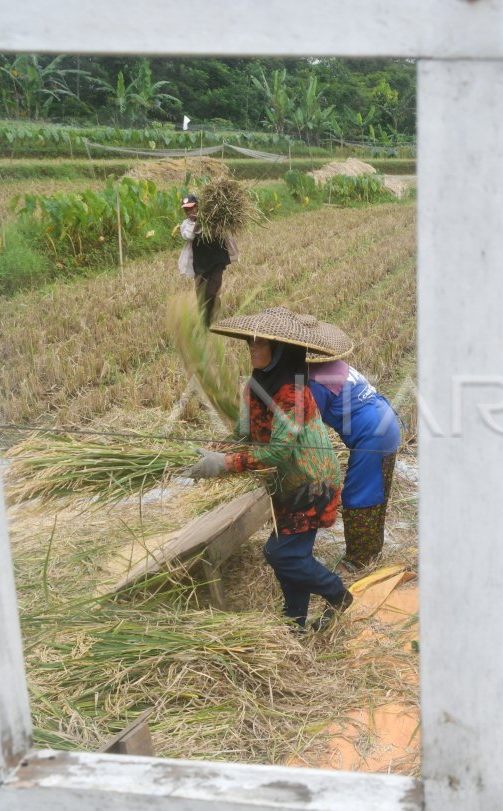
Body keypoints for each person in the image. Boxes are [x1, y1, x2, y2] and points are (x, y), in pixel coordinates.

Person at [187, 307, 351, 631]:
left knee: (282, 554)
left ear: (281, 351)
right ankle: (295, 623)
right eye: (250, 342)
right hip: (286, 484)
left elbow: (277, 450)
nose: (252, 348)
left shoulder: (294, 392)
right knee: (291, 556)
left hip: (311, 482)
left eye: (260, 343)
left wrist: (225, 464)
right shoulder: (254, 386)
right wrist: (214, 452)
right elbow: (243, 435)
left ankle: (338, 595)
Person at [304, 326, 402, 575]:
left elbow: (306, 428)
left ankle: (359, 561)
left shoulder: (314, 382)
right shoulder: (336, 366)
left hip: (372, 435)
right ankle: (371, 552)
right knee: (376, 491)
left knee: (360, 496)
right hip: (385, 421)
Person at [177, 193, 239, 326]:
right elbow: (188, 236)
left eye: (191, 208)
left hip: (217, 260)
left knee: (211, 292)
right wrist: (198, 222)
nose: (189, 212)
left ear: (198, 206)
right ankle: (205, 325)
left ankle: (214, 315)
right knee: (201, 297)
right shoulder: (186, 225)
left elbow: (224, 225)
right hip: (200, 264)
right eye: (186, 209)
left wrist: (207, 218)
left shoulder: (212, 218)